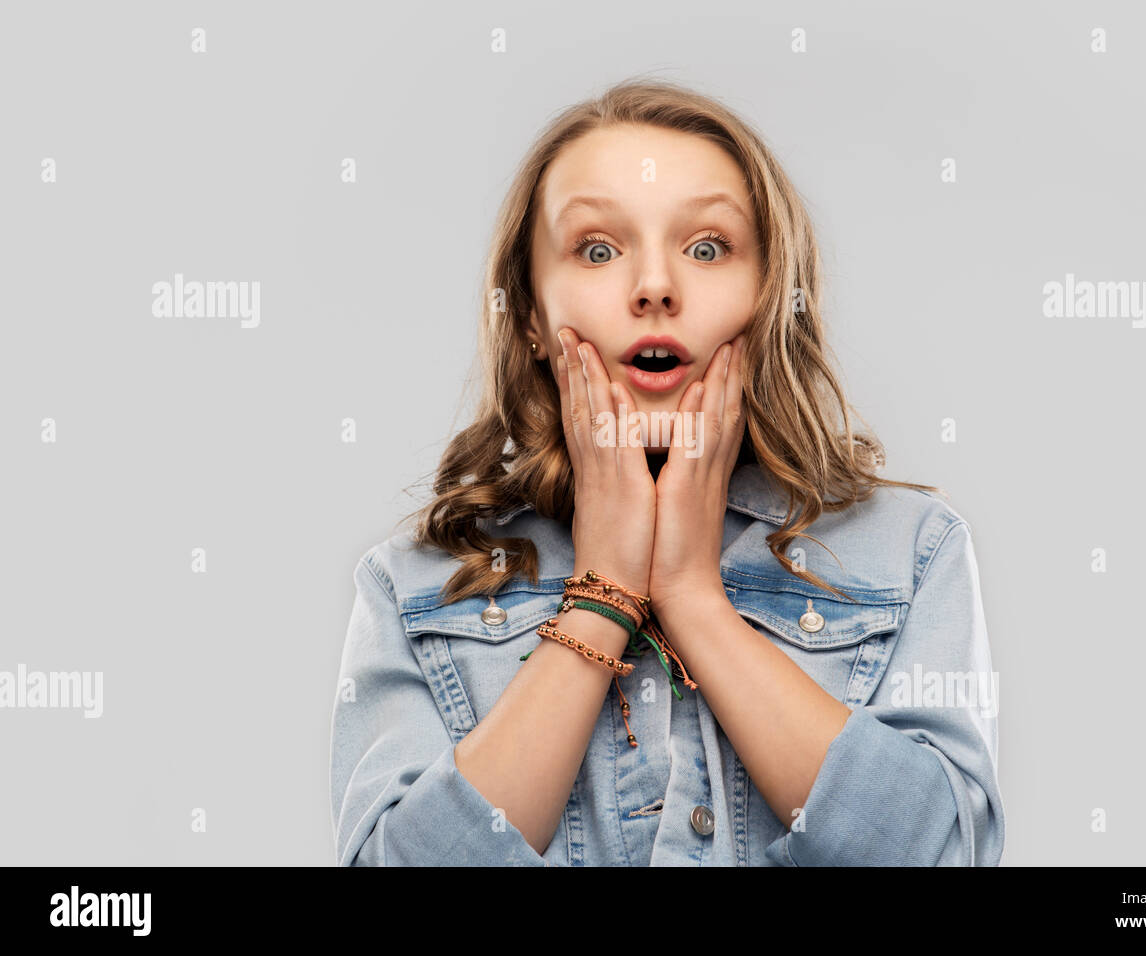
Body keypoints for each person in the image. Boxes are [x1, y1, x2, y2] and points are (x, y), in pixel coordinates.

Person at [329, 78, 1005, 866]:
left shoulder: (913, 552)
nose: (654, 288)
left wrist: (691, 596)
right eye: (599, 249)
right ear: (530, 317)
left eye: (707, 247)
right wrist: (603, 595)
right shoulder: (410, 587)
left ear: (768, 298)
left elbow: (941, 853)